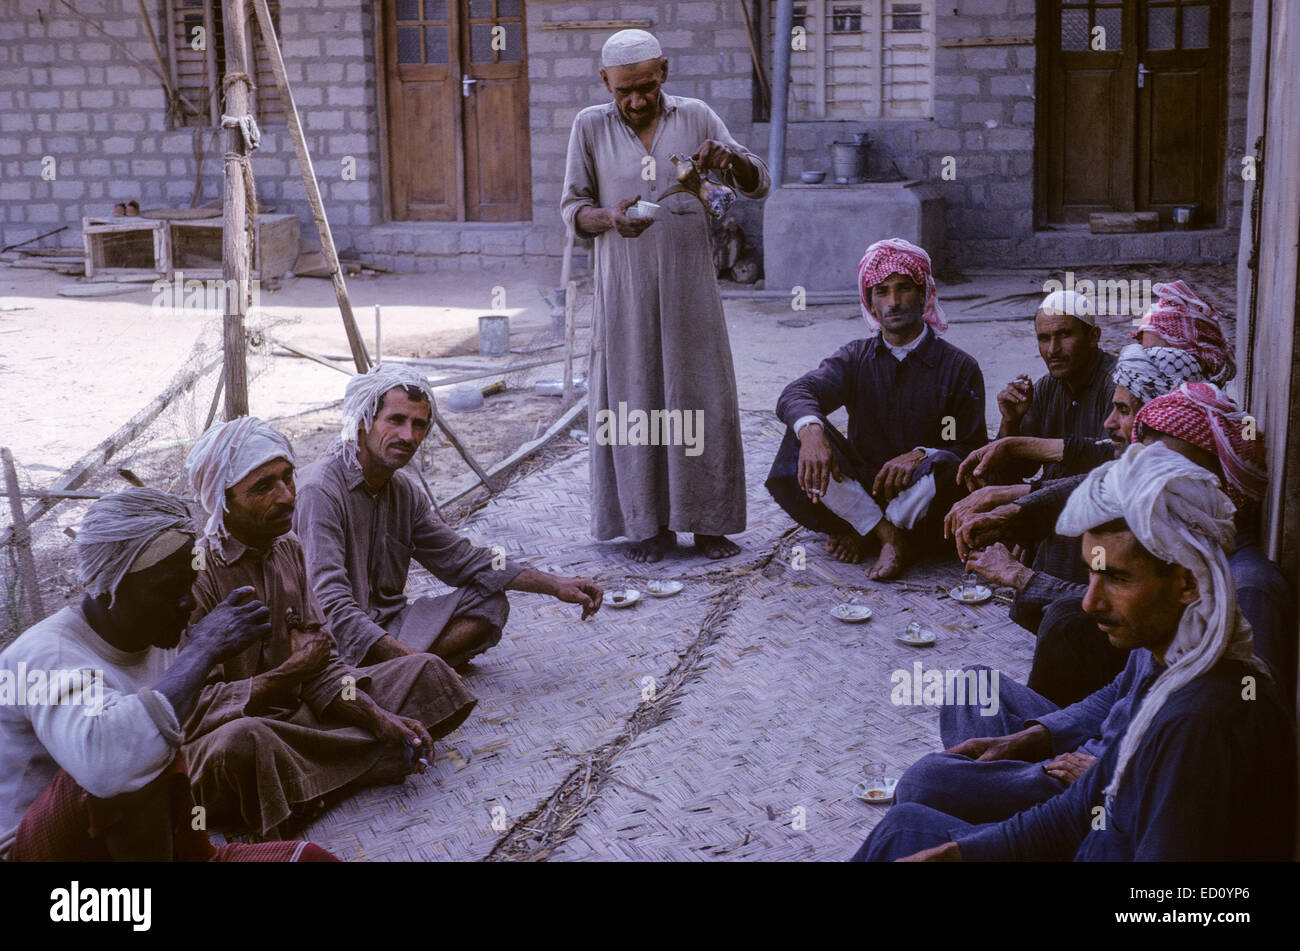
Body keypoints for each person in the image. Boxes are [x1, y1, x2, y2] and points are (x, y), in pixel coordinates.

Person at [853, 443, 1295, 861]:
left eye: (1118, 578)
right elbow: (1070, 815)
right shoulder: (1167, 671)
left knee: (919, 800)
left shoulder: (1196, 723)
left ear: (1188, 582)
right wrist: (964, 854)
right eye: (1091, 574)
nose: (1090, 602)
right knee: (905, 828)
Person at [0, 488, 337, 861]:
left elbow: (173, 766)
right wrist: (202, 651)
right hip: (34, 856)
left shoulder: (154, 639)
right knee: (129, 753)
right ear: (110, 587)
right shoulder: (42, 656)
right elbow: (111, 765)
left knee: (310, 859)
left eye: (189, 584)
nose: (189, 603)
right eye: (168, 590)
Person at [183, 416, 477, 839]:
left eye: (287, 478)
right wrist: (291, 672)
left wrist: (375, 716)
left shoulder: (288, 546)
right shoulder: (197, 575)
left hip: (303, 717)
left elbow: (324, 668)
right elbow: (193, 712)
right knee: (243, 744)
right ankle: (356, 770)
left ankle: (317, 781)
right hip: (242, 731)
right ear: (223, 499)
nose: (286, 497)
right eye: (263, 488)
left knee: (427, 672)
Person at [561, 28, 771, 562]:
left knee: (699, 395)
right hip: (624, 291)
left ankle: (708, 523)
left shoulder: (697, 115)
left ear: (665, 73)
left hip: (690, 289)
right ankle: (646, 526)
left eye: (647, 87)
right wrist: (607, 217)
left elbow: (757, 183)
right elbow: (572, 209)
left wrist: (730, 160)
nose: (636, 100)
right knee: (634, 399)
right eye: (623, 91)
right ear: (604, 81)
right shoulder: (589, 126)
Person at [295, 365, 603, 670]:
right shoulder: (320, 490)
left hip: (390, 625)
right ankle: (404, 668)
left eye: (419, 425)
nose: (408, 436)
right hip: (332, 635)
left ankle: (399, 668)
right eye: (396, 420)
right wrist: (410, 659)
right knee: (339, 648)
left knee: (489, 604)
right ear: (363, 421)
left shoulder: (403, 492)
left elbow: (466, 560)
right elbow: (328, 604)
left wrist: (554, 584)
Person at [954, 343, 1209, 702]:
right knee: (970, 692)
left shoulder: (1178, 519)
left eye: (1122, 410)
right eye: (1043, 337)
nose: (1110, 423)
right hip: (1104, 712)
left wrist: (1021, 576)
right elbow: (1091, 479)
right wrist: (1015, 505)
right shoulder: (1046, 390)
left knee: (1065, 620)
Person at [766, 238, 986, 579]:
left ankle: (866, 531)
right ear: (869, 300)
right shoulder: (855, 357)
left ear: (925, 293)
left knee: (949, 472)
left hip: (920, 497)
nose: (893, 302)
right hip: (864, 487)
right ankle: (888, 536)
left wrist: (923, 454)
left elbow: (973, 450)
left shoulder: (959, 367)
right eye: (881, 291)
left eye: (904, 289)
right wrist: (811, 432)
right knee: (800, 436)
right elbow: (798, 391)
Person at [961, 288, 1117, 488]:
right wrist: (1011, 422)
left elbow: (1113, 468)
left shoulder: (1116, 385)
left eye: (1064, 335)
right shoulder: (1047, 388)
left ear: (1093, 337)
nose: (1053, 350)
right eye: (1044, 338)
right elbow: (1015, 471)